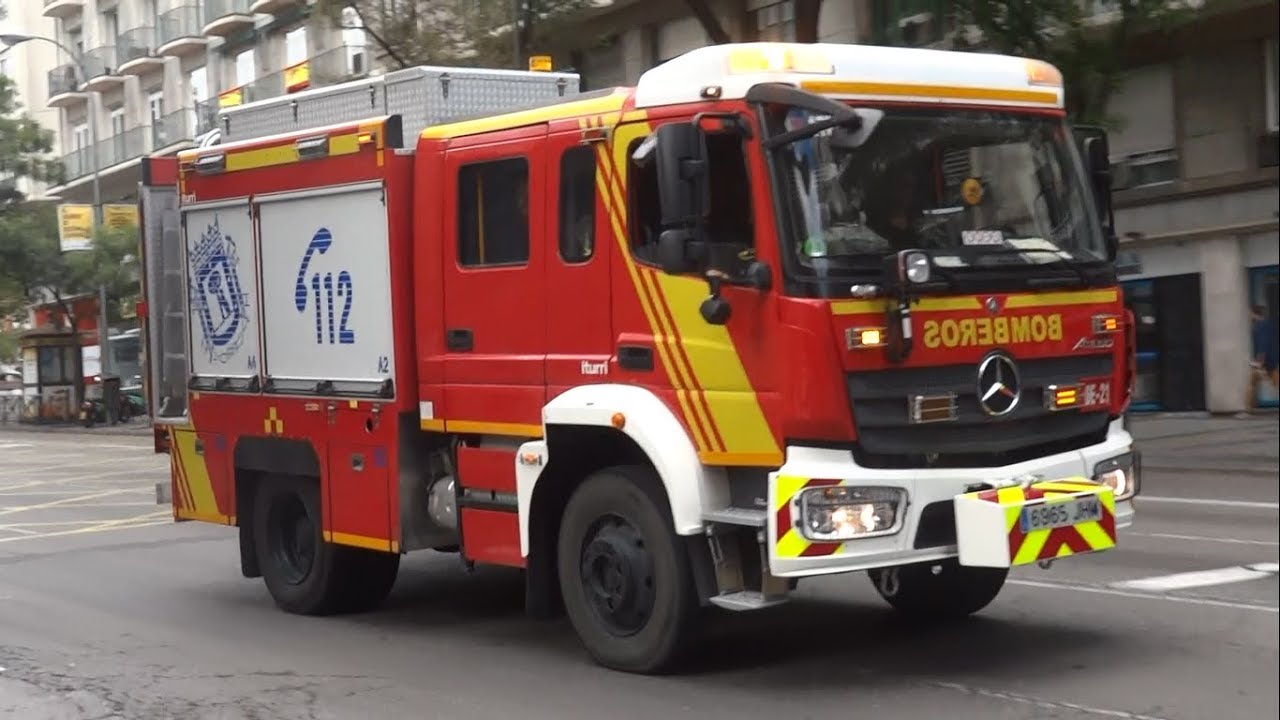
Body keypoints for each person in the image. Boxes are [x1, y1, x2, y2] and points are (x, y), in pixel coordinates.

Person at [1247, 305, 1279, 412]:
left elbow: (1262, 344)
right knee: (1254, 382)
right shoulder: (1269, 324)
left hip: (1265, 362)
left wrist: (1260, 361)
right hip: (1272, 360)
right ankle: (1249, 407)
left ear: (1254, 313)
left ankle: (1248, 409)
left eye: (1250, 313)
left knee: (1252, 383)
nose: (1249, 315)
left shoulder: (1260, 326)